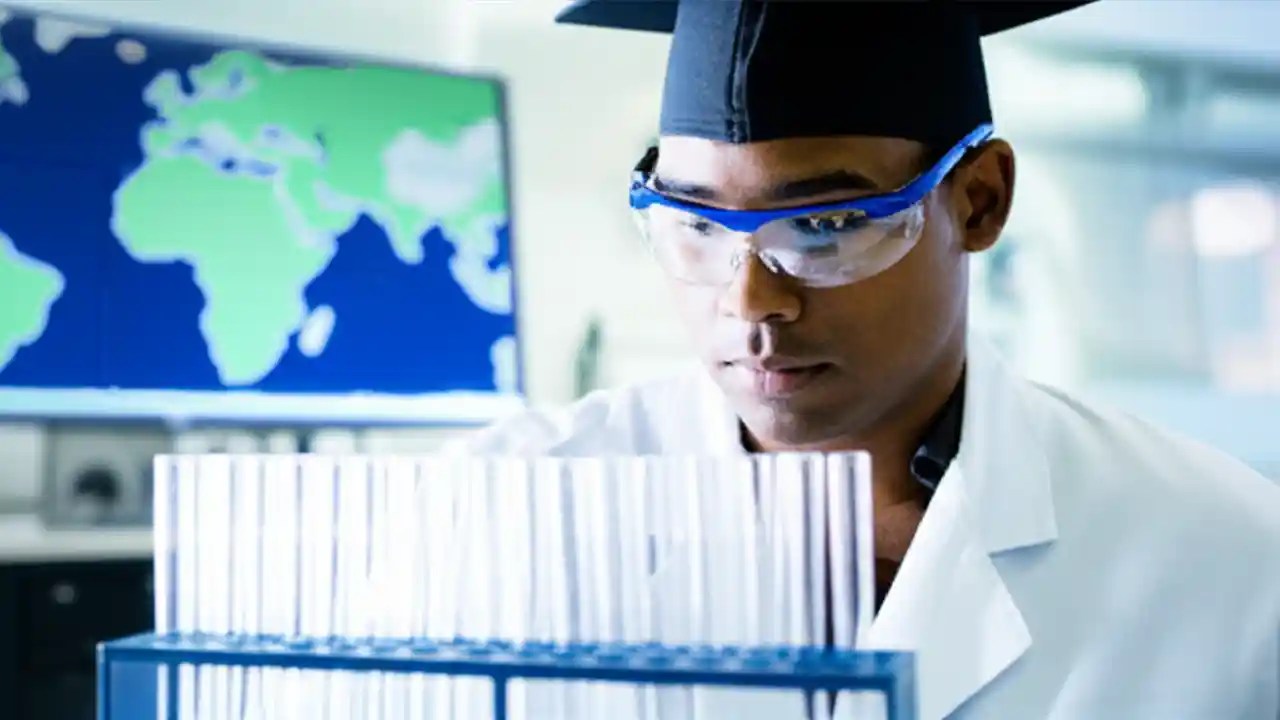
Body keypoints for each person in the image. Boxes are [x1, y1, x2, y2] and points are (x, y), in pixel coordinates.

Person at [454, 1, 1280, 717]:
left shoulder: (1228, 558)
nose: (750, 303)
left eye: (825, 226)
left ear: (980, 200)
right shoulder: (501, 513)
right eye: (697, 225)